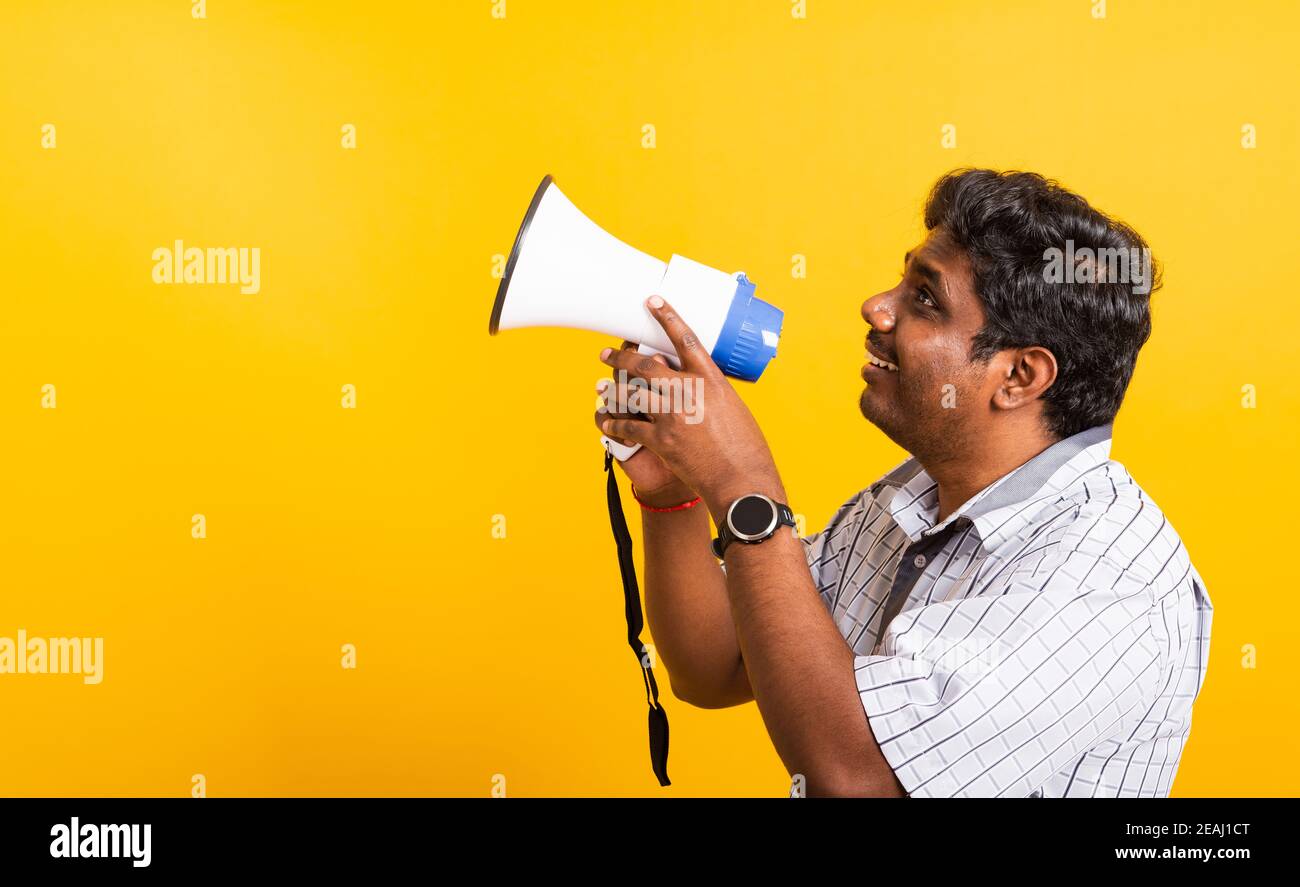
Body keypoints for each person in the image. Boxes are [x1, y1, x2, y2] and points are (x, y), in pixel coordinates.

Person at [593, 168, 1212, 798]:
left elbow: (859, 782)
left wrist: (745, 486)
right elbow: (717, 665)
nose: (876, 307)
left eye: (924, 299)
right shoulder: (914, 497)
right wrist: (676, 495)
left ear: (1020, 376)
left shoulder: (1106, 582)